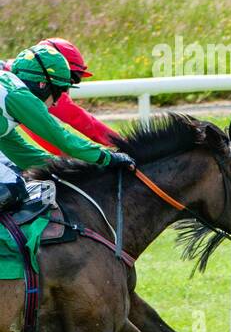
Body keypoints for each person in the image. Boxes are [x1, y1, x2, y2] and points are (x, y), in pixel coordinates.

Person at [0, 44, 133, 212]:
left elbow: (24, 155)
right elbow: (63, 139)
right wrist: (107, 158)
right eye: (59, 91)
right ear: (42, 84)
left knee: (16, 181)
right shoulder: (19, 96)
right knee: (13, 188)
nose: (56, 102)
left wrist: (73, 166)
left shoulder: (7, 92)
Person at [1, 38, 119, 154]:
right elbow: (65, 127)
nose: (65, 90)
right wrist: (122, 144)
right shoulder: (39, 83)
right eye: (69, 78)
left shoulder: (25, 69)